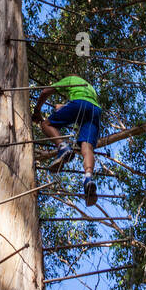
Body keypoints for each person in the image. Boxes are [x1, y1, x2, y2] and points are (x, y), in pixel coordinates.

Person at [32, 72, 101, 203]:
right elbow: (84, 106)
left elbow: (46, 91)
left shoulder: (71, 79)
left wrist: (37, 110)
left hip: (79, 104)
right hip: (95, 111)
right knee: (87, 147)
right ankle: (88, 178)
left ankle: (63, 148)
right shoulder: (90, 88)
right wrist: (63, 106)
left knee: (46, 124)